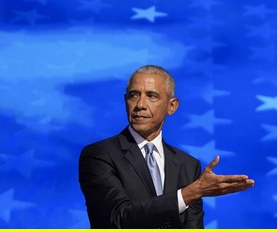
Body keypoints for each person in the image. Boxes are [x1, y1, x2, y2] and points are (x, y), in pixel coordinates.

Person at [79, 65, 255, 228]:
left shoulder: (188, 165)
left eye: (151, 96)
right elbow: (116, 220)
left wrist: (193, 192)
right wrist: (189, 193)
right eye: (133, 95)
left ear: (172, 106)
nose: (140, 105)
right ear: (125, 101)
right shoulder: (99, 155)